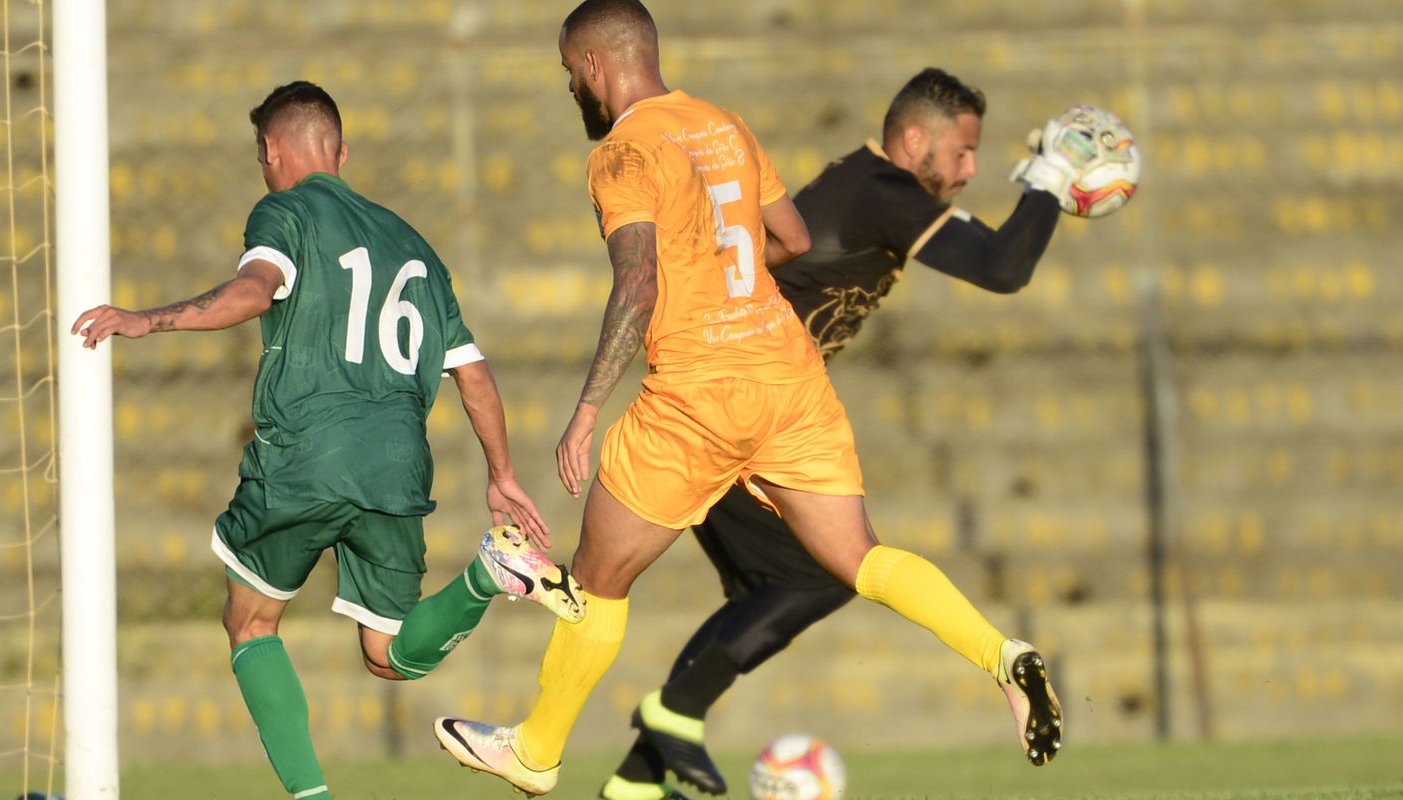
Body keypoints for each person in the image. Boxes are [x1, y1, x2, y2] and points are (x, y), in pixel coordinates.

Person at [432, 3, 1061, 796]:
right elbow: (792, 240)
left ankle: (538, 751)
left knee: (598, 582)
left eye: (569, 74)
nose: (572, 89)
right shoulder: (723, 125)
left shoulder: (624, 152)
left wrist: (588, 407)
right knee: (858, 558)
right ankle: (1002, 658)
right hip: (790, 378)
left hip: (698, 394)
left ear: (595, 66)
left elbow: (637, 278)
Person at [71, 81, 584, 800]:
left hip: (307, 453)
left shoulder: (284, 213)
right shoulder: (415, 246)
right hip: (399, 468)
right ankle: (486, 574)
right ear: (339, 152)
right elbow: (473, 373)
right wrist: (501, 474)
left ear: (272, 151)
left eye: (263, 158)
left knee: (250, 621)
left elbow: (254, 292)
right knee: (389, 656)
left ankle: (312, 798)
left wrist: (146, 319)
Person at [599, 66, 1067, 800]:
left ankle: (637, 777)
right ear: (915, 140)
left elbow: (992, 246)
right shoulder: (885, 195)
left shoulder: (871, 189)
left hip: (735, 406)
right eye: (964, 153)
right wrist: (1052, 182)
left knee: (778, 588)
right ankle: (671, 715)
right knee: (821, 574)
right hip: (730, 411)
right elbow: (1005, 268)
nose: (973, 170)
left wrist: (1041, 189)